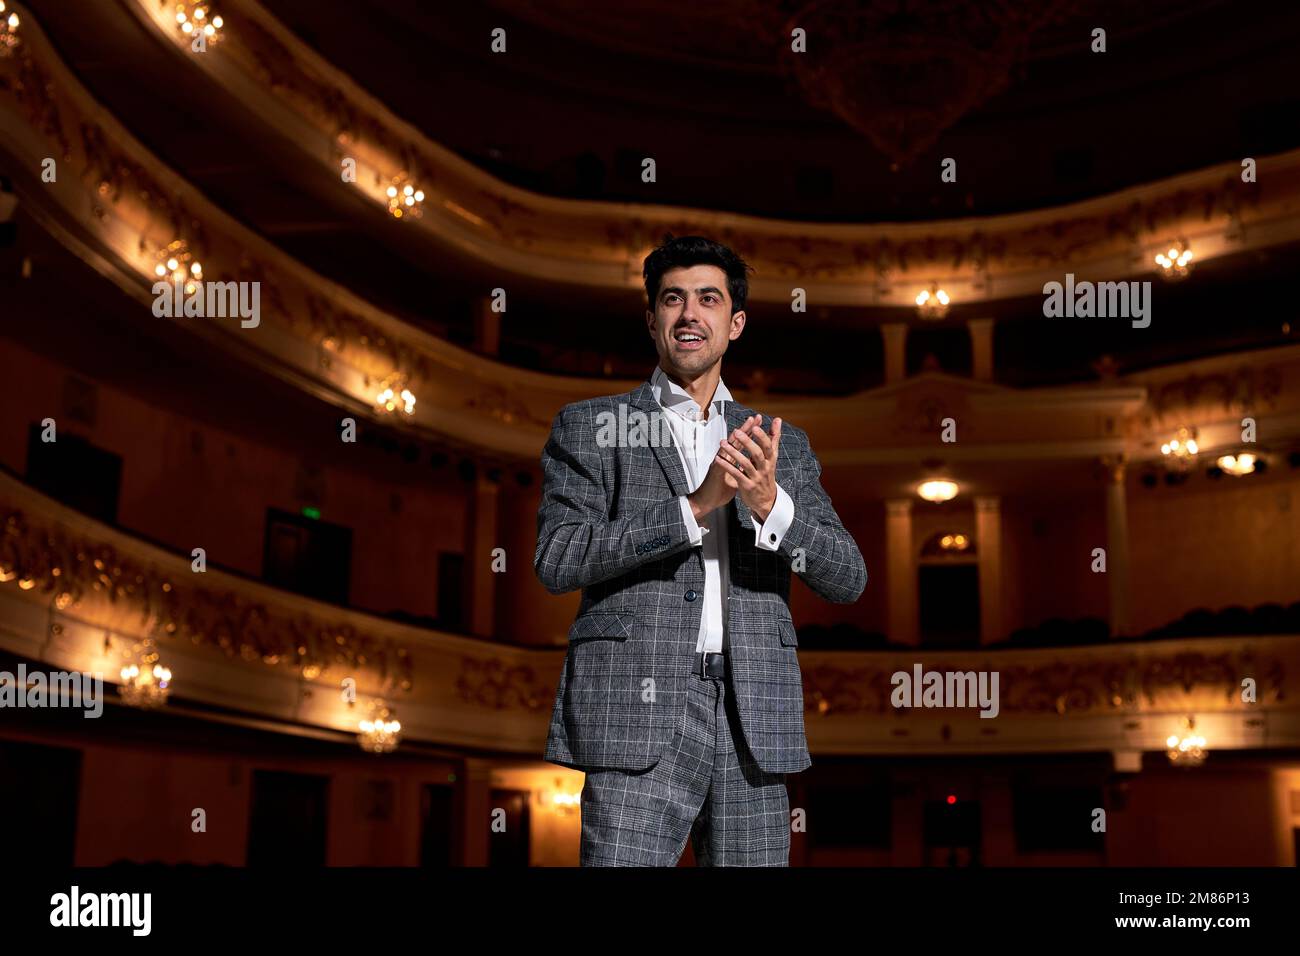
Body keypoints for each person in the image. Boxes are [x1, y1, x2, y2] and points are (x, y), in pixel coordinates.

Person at [534, 234, 866, 865]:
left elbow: (847, 577)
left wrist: (772, 507)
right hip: (634, 714)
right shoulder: (591, 425)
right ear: (652, 319)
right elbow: (559, 557)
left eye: (708, 299)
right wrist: (693, 506)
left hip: (754, 718)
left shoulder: (781, 444)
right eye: (672, 299)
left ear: (734, 323)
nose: (690, 314)